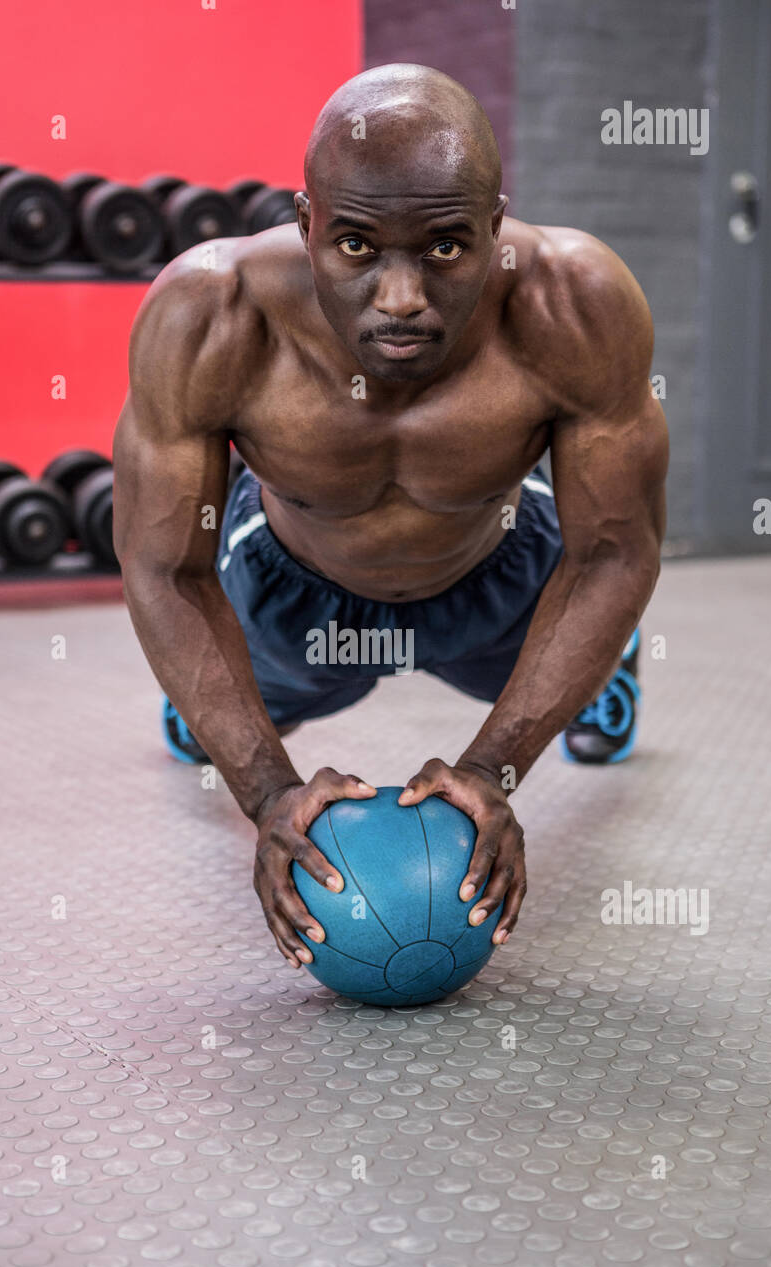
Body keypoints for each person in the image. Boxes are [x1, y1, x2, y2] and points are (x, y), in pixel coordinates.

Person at [113, 64, 668, 972]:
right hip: (296, 598)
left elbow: (613, 552)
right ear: (307, 224)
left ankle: (602, 666)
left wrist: (495, 768)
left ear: (494, 229)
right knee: (207, 733)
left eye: (446, 248)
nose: (402, 298)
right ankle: (207, 709)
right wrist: (263, 792)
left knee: (588, 688)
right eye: (358, 247)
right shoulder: (211, 312)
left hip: (501, 577)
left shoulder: (574, 301)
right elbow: (165, 567)